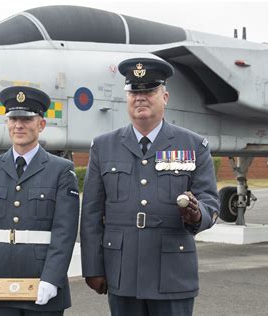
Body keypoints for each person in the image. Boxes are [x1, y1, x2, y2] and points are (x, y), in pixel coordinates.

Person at [80, 58, 220, 316]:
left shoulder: (194, 145)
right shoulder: (103, 146)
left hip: (172, 274)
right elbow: (90, 214)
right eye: (134, 91)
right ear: (127, 98)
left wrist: (197, 212)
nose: (140, 97)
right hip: (122, 273)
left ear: (165, 96)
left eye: (149, 91)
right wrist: (92, 267)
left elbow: (210, 201)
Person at [0, 86, 80, 315]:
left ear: (41, 124)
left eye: (27, 119)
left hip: (42, 282)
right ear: (7, 123)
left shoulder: (61, 170)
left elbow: (64, 233)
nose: (19, 125)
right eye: (13, 119)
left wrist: (52, 278)